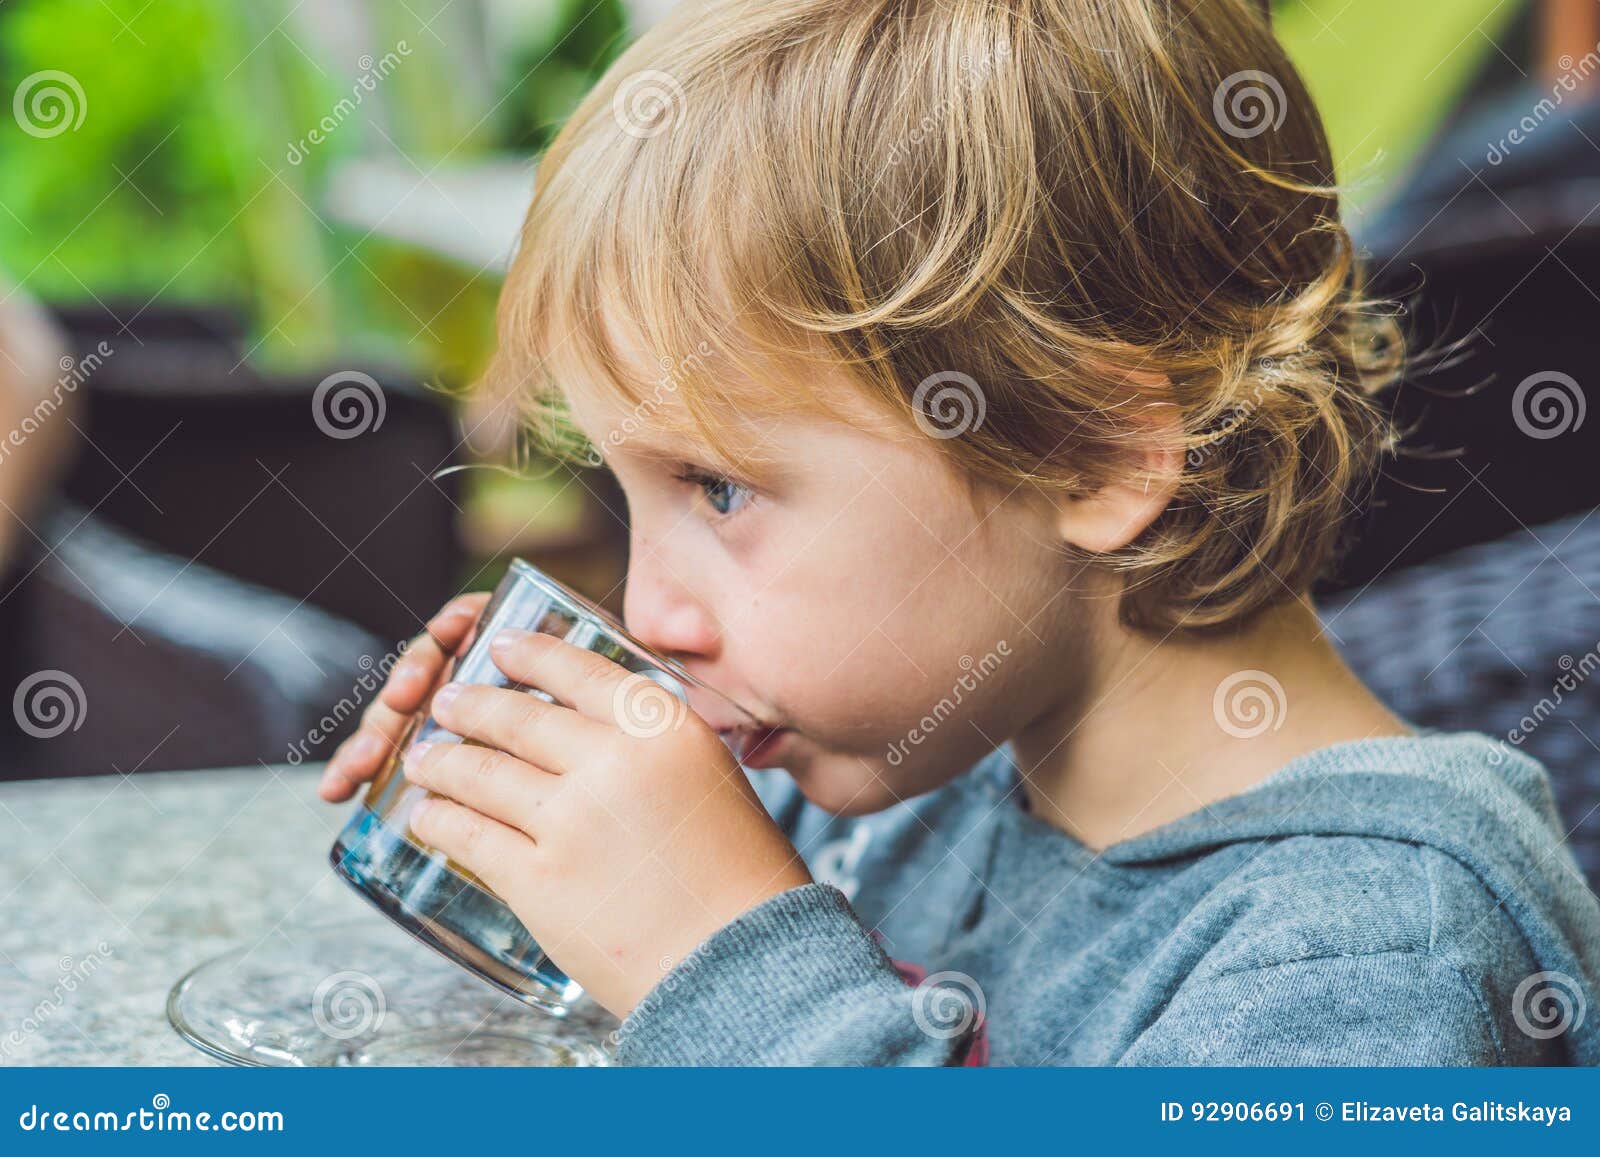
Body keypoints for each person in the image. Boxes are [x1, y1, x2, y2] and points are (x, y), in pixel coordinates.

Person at [319, 0, 1600, 1065]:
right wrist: (549, 852)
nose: (652, 612)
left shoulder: (1381, 953)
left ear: (1094, 456)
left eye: (718, 490)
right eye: (627, 491)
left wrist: (722, 952)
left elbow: (786, 1021)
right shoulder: (933, 775)